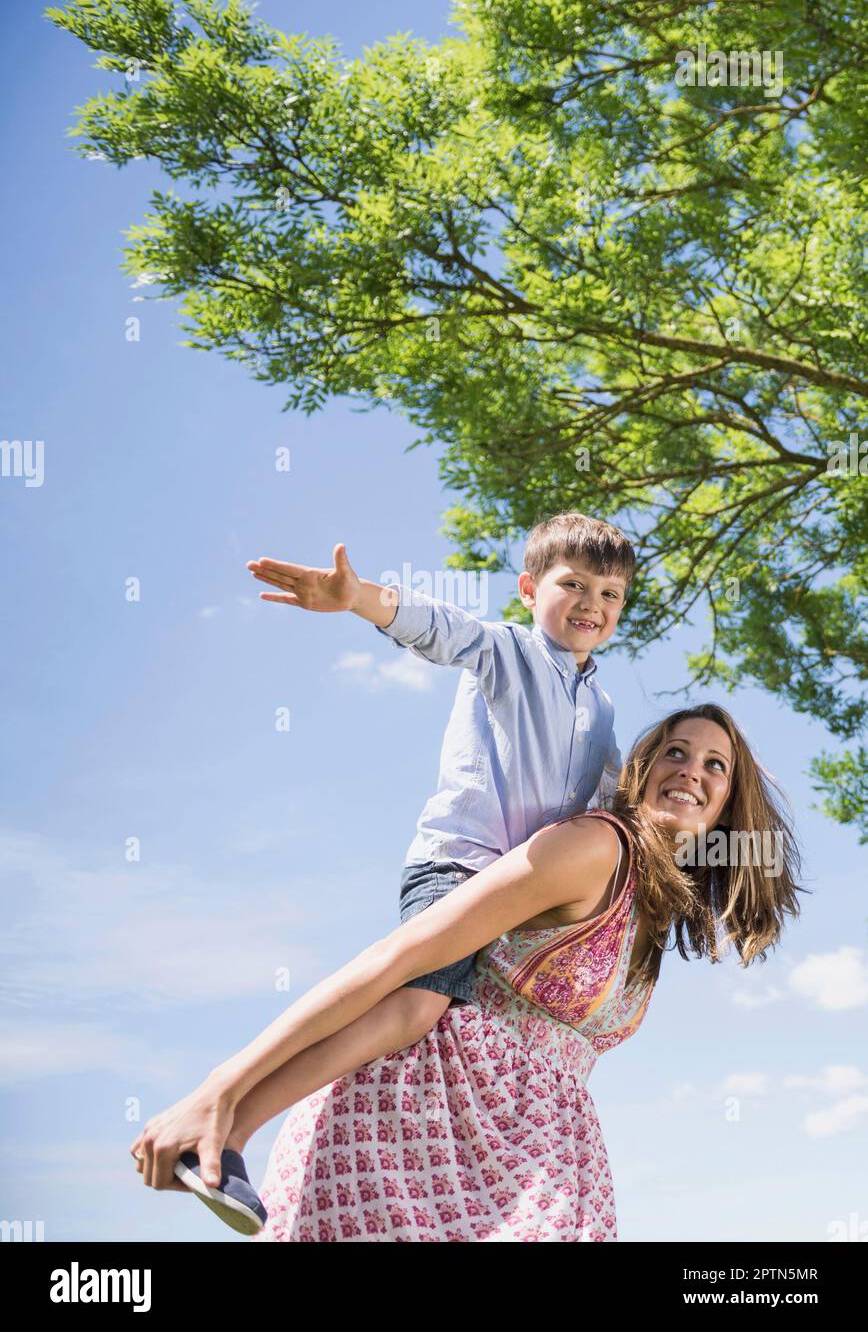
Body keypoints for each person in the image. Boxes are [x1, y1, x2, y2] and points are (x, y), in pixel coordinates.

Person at [130, 513, 636, 1230]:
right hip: (457, 869)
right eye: (574, 585)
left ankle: (233, 1130)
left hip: (512, 902)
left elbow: (616, 794)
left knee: (417, 1014)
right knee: (414, 1007)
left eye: (611, 594)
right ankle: (227, 1119)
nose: (593, 604)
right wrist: (361, 599)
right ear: (529, 589)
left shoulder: (603, 706)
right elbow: (435, 625)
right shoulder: (507, 652)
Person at [246, 703, 805, 1240]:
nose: (690, 771)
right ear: (643, 771)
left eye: (715, 764)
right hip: (415, 1131)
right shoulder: (595, 848)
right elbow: (400, 957)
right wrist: (226, 1098)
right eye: (675, 753)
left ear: (730, 804)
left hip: (540, 1162)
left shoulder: (652, 905)